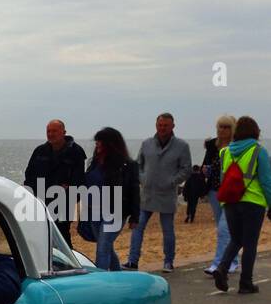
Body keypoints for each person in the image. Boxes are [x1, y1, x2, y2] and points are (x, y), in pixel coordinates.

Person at [125, 112, 192, 273]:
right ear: (156, 125)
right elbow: (138, 164)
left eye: (166, 125)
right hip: (147, 193)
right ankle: (132, 261)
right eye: (160, 125)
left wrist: (172, 181)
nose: (162, 128)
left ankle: (168, 261)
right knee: (137, 227)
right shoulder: (147, 143)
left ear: (172, 126)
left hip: (167, 194)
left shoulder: (182, 146)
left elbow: (186, 169)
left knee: (167, 230)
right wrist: (142, 178)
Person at [212, 115, 271, 294]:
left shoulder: (226, 152)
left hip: (230, 201)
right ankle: (246, 282)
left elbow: (223, 179)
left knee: (236, 239)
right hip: (253, 202)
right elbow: (266, 181)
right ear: (255, 132)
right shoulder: (258, 151)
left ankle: (222, 268)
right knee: (250, 243)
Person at [81, 127, 140, 271]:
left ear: (111, 144)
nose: (97, 144)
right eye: (97, 141)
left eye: (100, 141)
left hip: (114, 211)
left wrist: (135, 216)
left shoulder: (127, 165)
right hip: (93, 211)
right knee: (105, 246)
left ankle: (100, 282)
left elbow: (134, 190)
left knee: (103, 247)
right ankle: (117, 275)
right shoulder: (94, 162)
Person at [23, 119, 87, 245]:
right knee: (42, 236)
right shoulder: (40, 151)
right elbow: (29, 175)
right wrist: (32, 197)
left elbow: (78, 181)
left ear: (64, 132)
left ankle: (67, 264)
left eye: (54, 131)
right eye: (48, 131)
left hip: (63, 204)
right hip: (41, 202)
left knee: (62, 238)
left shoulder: (76, 152)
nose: (51, 134)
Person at [202, 114, 239, 277]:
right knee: (224, 227)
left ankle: (219, 264)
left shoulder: (237, 146)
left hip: (231, 192)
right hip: (214, 190)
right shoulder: (212, 145)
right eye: (220, 127)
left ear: (233, 129)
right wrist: (205, 170)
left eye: (227, 127)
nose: (223, 130)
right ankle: (233, 261)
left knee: (224, 229)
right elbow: (206, 164)